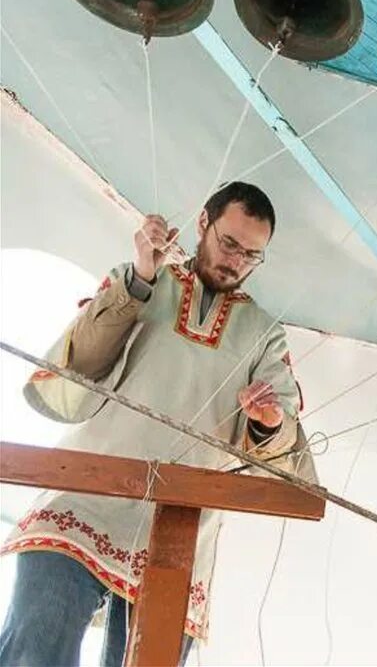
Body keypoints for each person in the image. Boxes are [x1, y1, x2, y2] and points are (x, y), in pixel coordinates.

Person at [0, 182, 317, 667]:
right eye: (229, 244)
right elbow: (80, 361)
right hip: (86, 506)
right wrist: (141, 278)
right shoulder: (143, 285)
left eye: (252, 255)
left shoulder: (264, 334)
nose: (236, 261)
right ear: (203, 224)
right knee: (33, 652)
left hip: (179, 535)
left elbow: (283, 425)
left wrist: (267, 421)